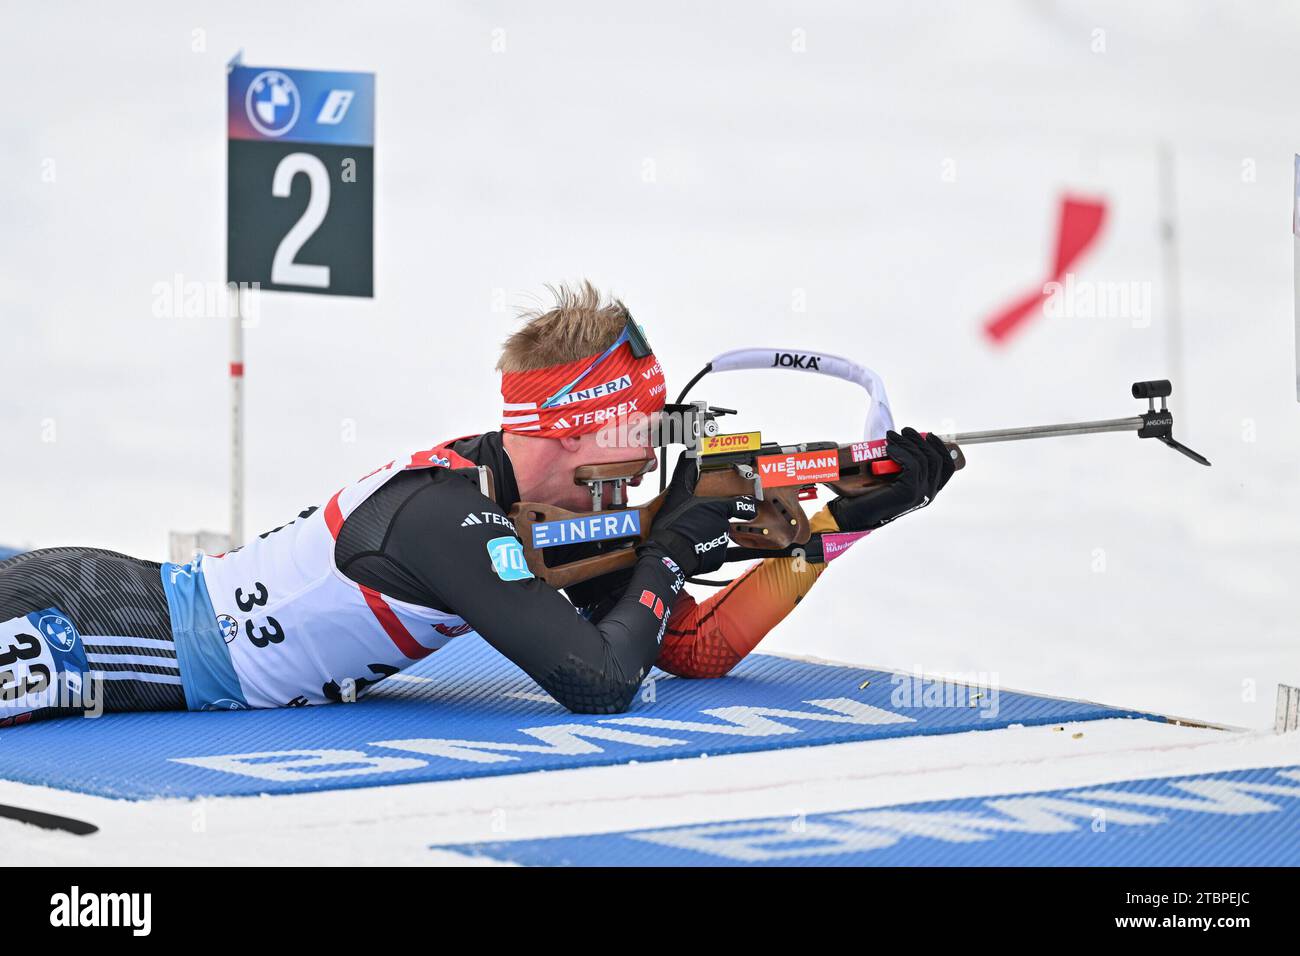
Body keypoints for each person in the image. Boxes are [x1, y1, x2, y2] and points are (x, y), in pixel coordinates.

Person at [0, 281, 954, 725]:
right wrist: (674, 540)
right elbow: (602, 682)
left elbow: (689, 650)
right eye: (645, 428)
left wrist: (834, 529)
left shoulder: (518, 508)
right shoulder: (450, 518)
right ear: (579, 428)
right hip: (109, 630)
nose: (657, 453)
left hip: (123, 609)